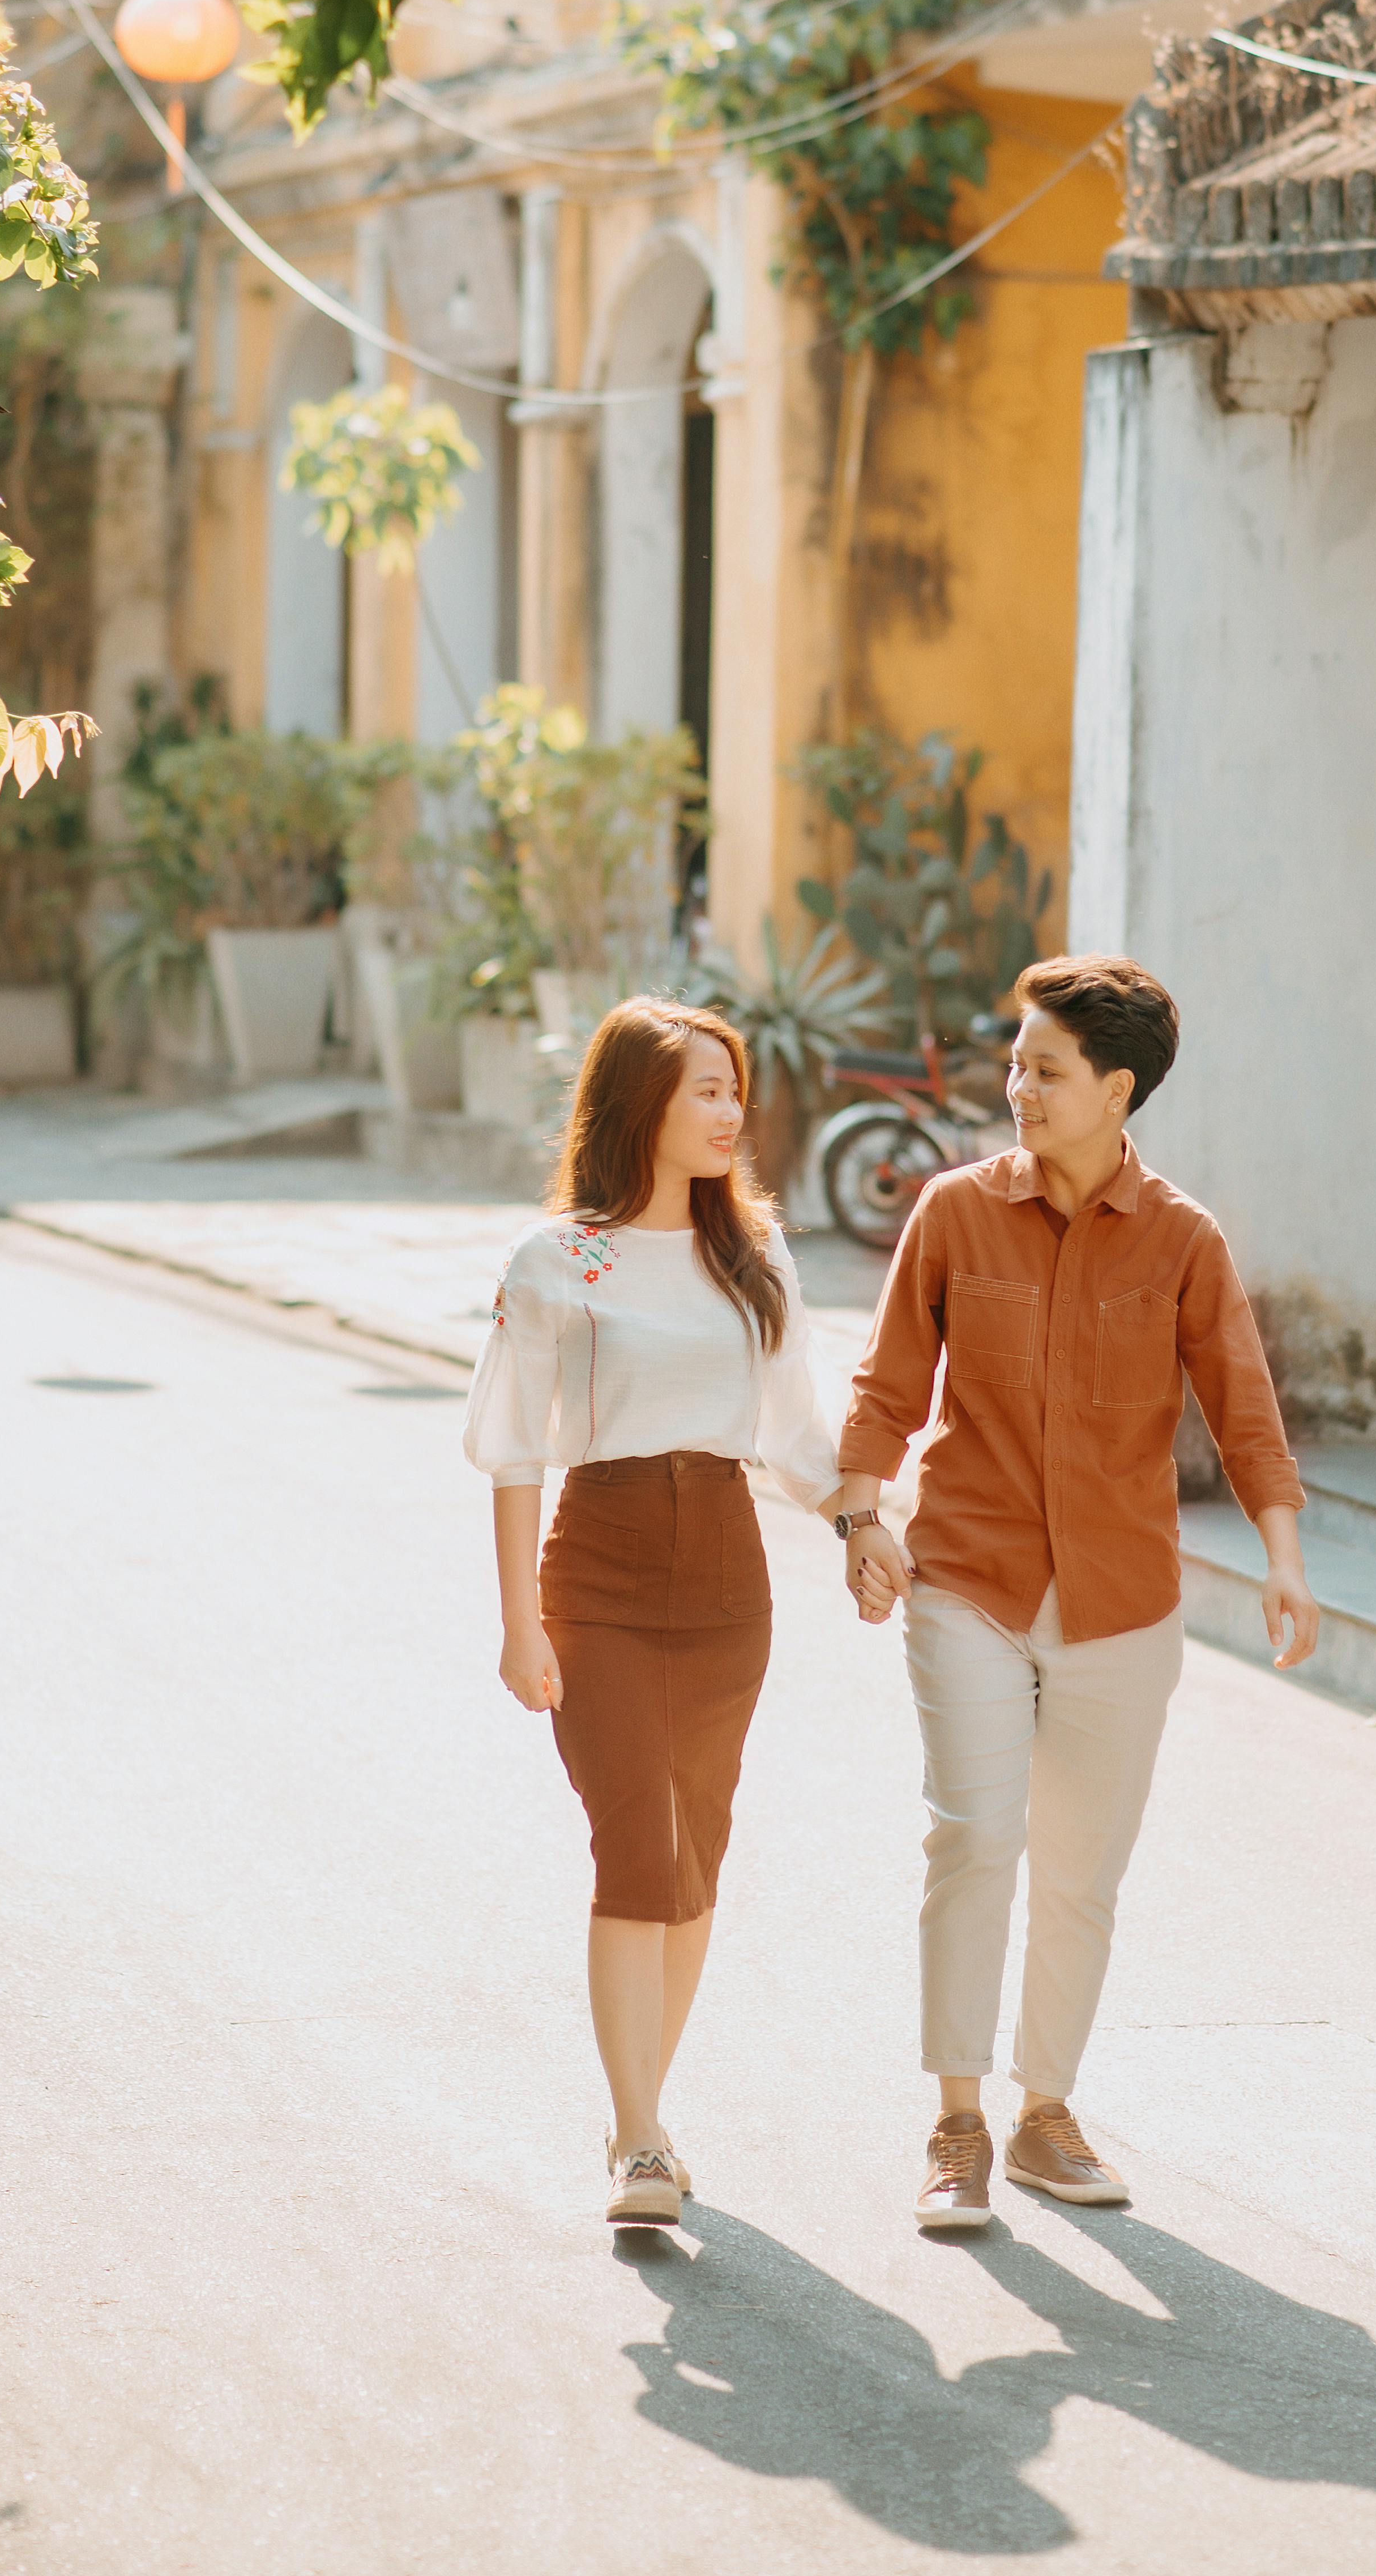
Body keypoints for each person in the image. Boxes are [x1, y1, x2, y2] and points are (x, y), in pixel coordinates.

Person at [833, 952, 1319, 2233]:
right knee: (975, 1834)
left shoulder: (1180, 1240)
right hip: (970, 1575)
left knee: (1081, 1872)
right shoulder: (952, 1212)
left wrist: (1281, 1550)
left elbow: (1241, 1401)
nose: (1017, 1087)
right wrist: (857, 1507)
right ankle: (956, 2121)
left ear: (1115, 1090)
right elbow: (887, 1382)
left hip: (1121, 1598)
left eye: (1044, 1070)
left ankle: (1047, 2111)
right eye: (1014, 1063)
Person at [464, 996, 840, 2229]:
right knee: (636, 1848)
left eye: (736, 1089)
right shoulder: (558, 1257)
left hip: (729, 1579)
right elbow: (517, 1452)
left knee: (695, 1856)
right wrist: (522, 1621)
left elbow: (795, 1431)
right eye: (705, 1091)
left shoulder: (756, 1255)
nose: (732, 1112)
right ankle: (636, 2138)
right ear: (640, 1104)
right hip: (603, 1571)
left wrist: (863, 1522)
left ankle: (646, 2111)